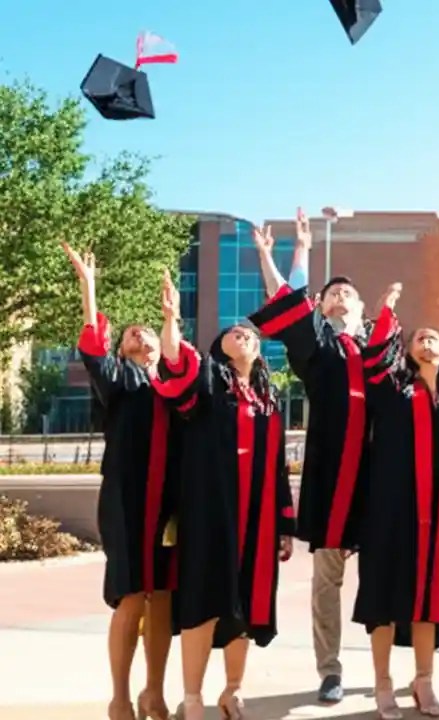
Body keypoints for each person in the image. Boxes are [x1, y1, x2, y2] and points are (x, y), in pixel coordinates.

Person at [150, 272, 294, 720]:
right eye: (233, 332)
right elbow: (175, 361)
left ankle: (232, 690)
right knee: (204, 600)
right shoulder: (208, 383)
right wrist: (171, 318)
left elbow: (279, 468)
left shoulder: (269, 401)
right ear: (218, 348)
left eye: (249, 333)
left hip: (259, 518)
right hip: (212, 513)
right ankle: (192, 696)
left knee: (246, 606)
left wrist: (285, 526)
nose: (243, 334)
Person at [352, 283, 439, 719]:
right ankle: (382, 683)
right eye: (419, 338)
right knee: (384, 599)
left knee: (430, 600)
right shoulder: (394, 390)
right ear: (408, 352)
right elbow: (372, 365)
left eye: (434, 337)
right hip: (390, 514)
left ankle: (424, 681)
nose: (427, 341)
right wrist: (386, 312)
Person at [246, 208, 368, 703]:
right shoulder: (316, 345)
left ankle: (396, 669)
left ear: (360, 305)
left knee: (394, 572)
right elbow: (287, 302)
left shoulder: (384, 346)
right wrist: (282, 253)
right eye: (331, 293)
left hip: (377, 479)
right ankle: (330, 669)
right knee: (327, 584)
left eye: (348, 292)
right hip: (333, 478)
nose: (340, 296)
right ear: (321, 305)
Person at [63, 243, 180, 720]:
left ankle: (155, 691)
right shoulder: (116, 379)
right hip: (127, 503)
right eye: (133, 334)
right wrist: (89, 288)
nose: (141, 338)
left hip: (172, 504)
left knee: (165, 598)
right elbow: (93, 346)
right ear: (124, 347)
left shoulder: (176, 384)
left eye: (147, 332)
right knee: (132, 595)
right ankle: (120, 696)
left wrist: (170, 317)